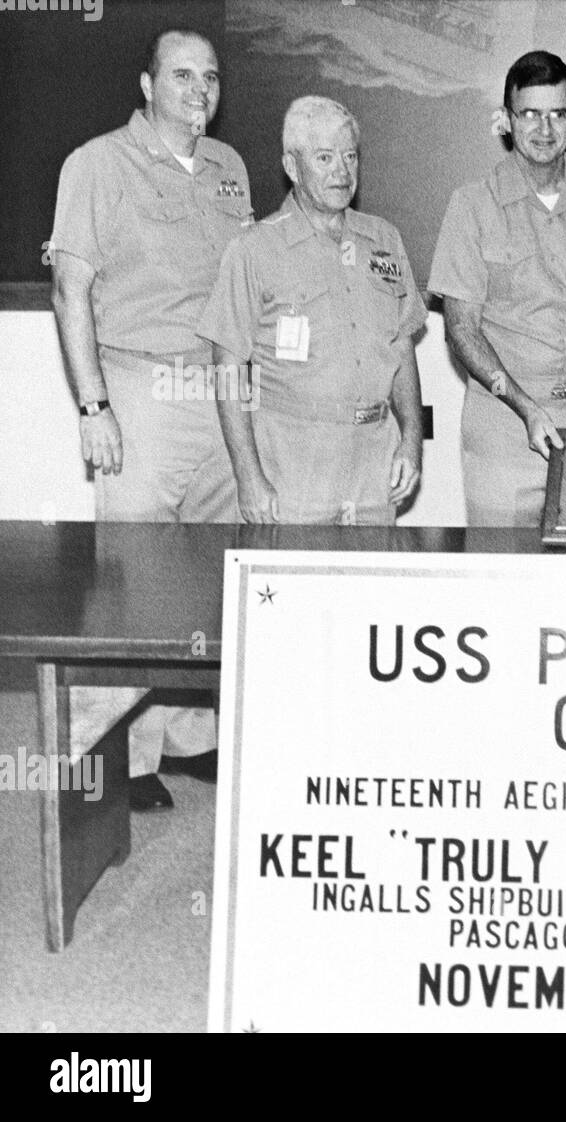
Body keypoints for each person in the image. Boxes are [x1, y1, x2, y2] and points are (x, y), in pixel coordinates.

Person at [49, 28, 253, 811]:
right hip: (139, 389)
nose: (198, 91)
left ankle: (186, 737)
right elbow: (72, 291)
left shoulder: (231, 170)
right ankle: (104, 759)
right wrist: (94, 406)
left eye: (209, 77)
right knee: (130, 586)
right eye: (180, 75)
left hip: (222, 397)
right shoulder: (97, 164)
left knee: (205, 579)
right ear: (146, 85)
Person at [427, 50, 566, 527]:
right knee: (503, 584)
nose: (545, 129)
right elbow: (460, 329)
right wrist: (525, 407)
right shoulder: (472, 205)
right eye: (530, 113)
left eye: (558, 114)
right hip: (505, 429)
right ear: (507, 120)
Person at [197, 96, 425, 524]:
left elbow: (401, 347)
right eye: (324, 157)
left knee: (367, 588)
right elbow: (228, 367)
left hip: (373, 467)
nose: (342, 171)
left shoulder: (384, 240)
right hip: (292, 469)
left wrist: (411, 439)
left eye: (350, 156)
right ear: (292, 167)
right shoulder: (254, 249)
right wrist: (249, 477)